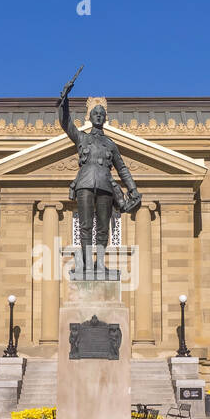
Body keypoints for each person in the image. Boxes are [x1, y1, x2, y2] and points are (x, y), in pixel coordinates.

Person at [57, 69, 140, 278]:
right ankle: (86, 265)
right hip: (84, 185)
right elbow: (66, 123)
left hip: (105, 185)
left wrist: (133, 189)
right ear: (90, 117)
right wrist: (63, 100)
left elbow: (122, 168)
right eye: (96, 114)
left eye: (102, 115)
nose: (99, 116)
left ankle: (100, 265)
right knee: (85, 226)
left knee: (103, 228)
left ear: (105, 119)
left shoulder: (110, 144)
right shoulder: (82, 139)